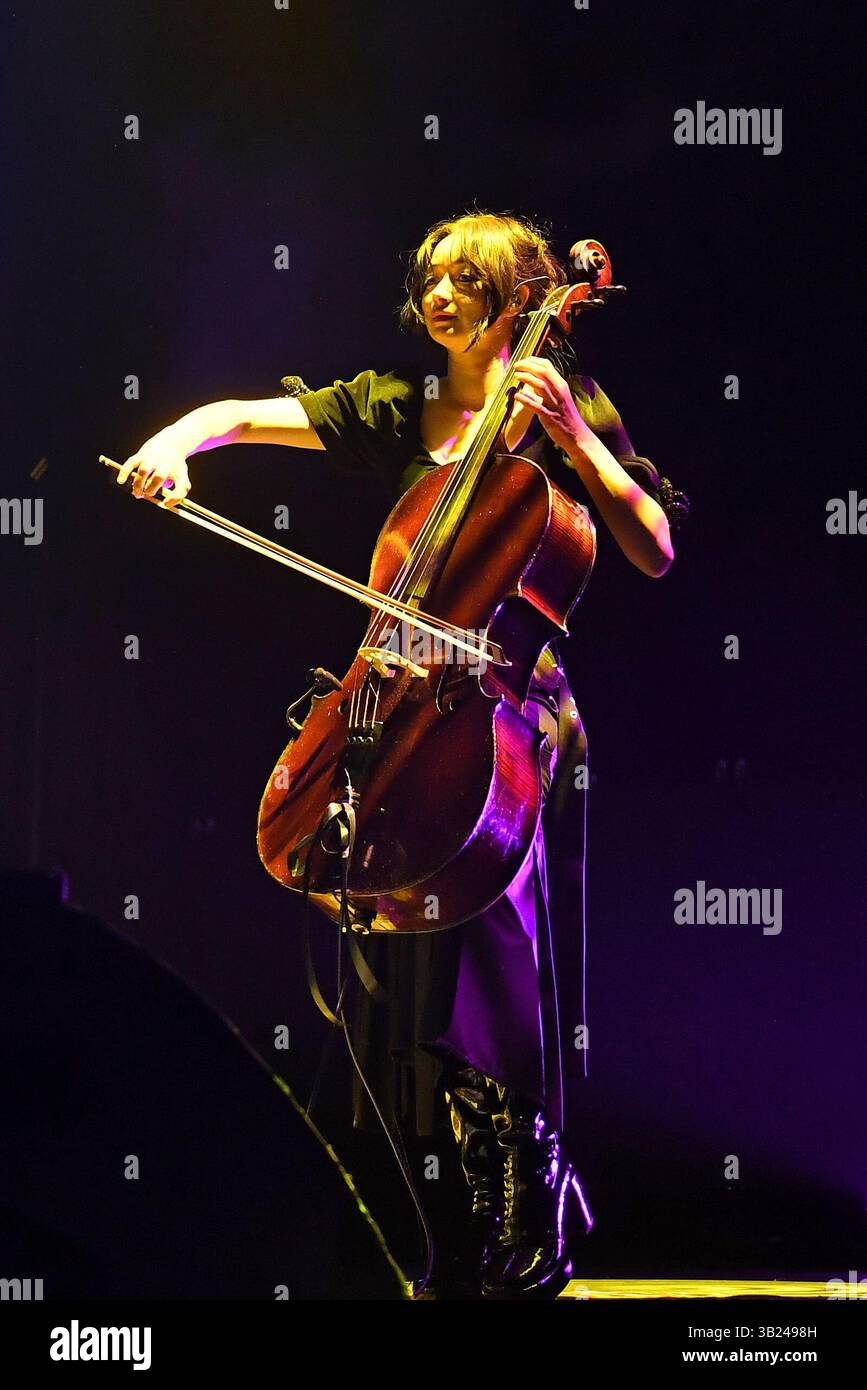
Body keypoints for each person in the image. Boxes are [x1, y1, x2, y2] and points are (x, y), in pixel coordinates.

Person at [117, 210, 689, 1300]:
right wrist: (174, 444)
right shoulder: (403, 405)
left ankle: (532, 1180)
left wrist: (571, 434)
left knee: (492, 956)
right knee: (386, 981)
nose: (437, 295)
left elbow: (653, 546)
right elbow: (243, 416)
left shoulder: (565, 406)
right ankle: (449, 1224)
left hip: (512, 721)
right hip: (402, 716)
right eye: (427, 277)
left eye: (462, 277)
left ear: (519, 295)